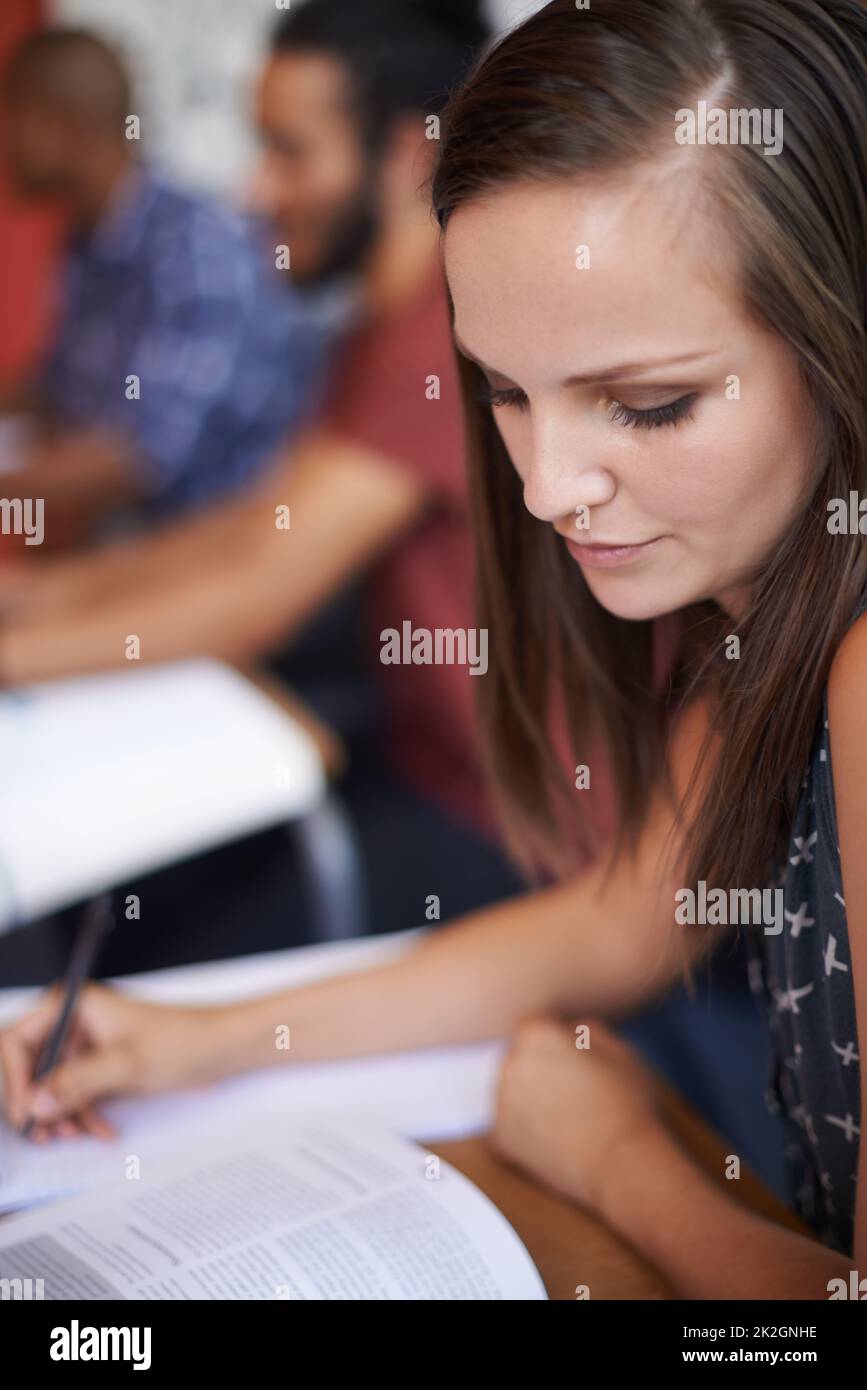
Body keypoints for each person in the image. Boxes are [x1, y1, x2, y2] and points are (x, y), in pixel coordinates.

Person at [14, 0, 858, 1292]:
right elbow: (620, 919)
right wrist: (195, 1037)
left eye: (648, 404)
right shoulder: (764, 617)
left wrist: (617, 1156)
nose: (543, 490)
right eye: (505, 394)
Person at [0, 27, 330, 534]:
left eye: (13, 113)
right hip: (137, 551)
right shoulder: (87, 239)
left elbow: (139, 458)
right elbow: (58, 390)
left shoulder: (194, 244)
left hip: (231, 561)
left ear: (69, 123)